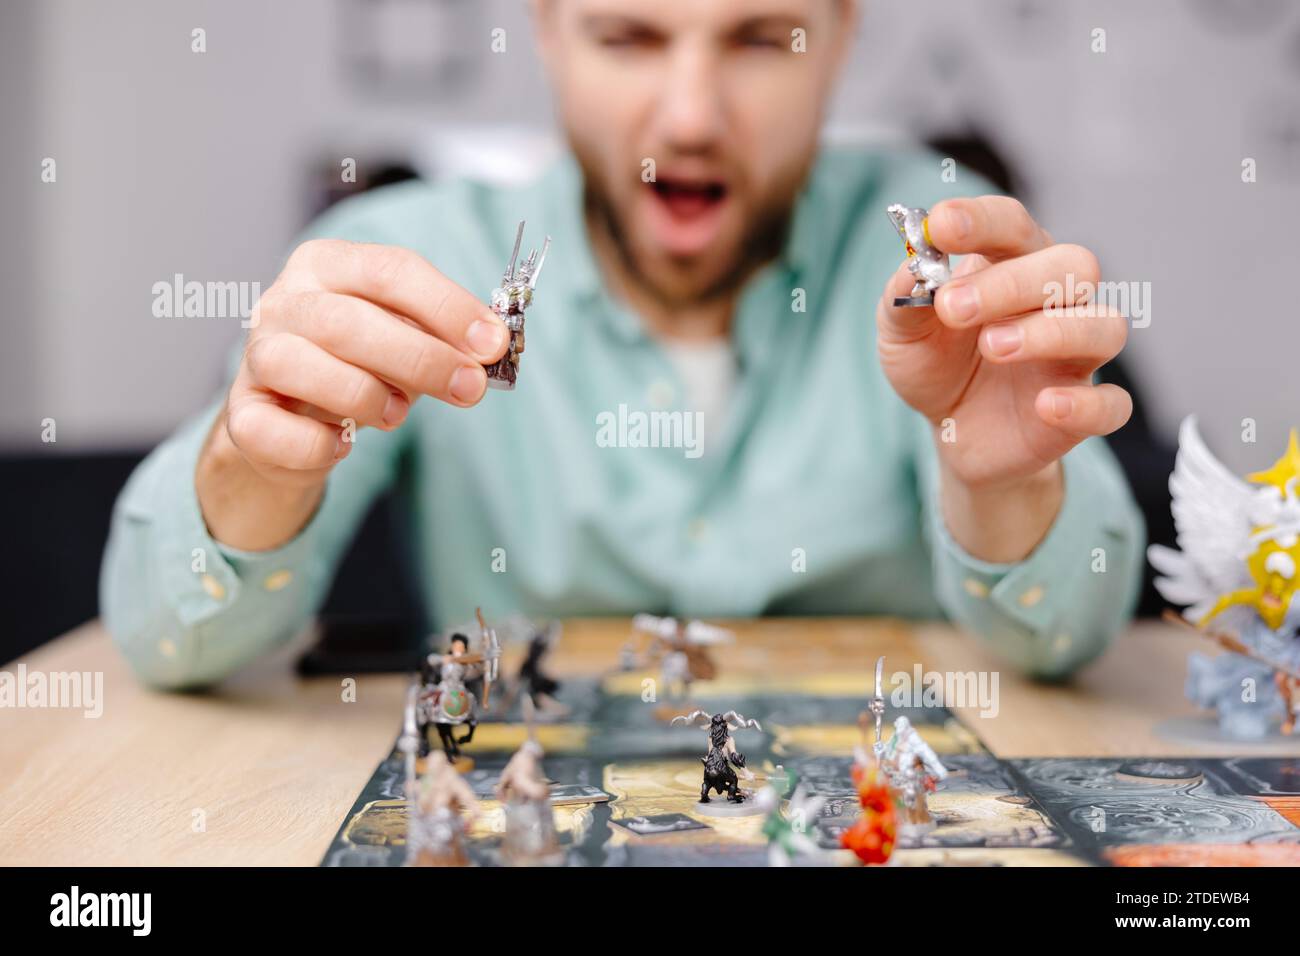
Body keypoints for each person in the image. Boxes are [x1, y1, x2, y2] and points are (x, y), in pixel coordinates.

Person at [101, 0, 1144, 690]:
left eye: (757, 37)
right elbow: (165, 639)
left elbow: (1067, 638)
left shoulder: (941, 249)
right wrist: (252, 464)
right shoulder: (401, 254)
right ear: (547, 33)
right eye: (627, 36)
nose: (690, 118)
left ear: (839, 35)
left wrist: (1005, 482)